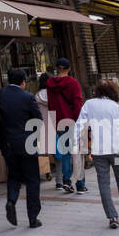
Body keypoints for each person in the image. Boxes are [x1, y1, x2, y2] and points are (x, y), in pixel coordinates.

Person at [75, 78, 119, 229]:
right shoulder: (116, 107)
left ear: (98, 90)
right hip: (117, 151)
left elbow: (80, 124)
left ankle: (112, 216)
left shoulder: (89, 104)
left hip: (99, 151)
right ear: (113, 92)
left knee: (104, 183)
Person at [0, 67, 44, 228]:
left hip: (7, 144)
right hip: (26, 143)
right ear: (23, 82)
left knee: (13, 175)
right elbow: (38, 120)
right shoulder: (27, 97)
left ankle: (11, 200)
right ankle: (33, 217)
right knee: (32, 179)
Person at [46, 57, 88, 194]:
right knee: (77, 153)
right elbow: (77, 104)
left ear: (57, 68)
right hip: (73, 121)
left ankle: (66, 181)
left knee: (65, 153)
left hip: (59, 122)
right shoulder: (73, 83)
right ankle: (80, 185)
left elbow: (51, 105)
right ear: (69, 69)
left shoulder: (49, 83)